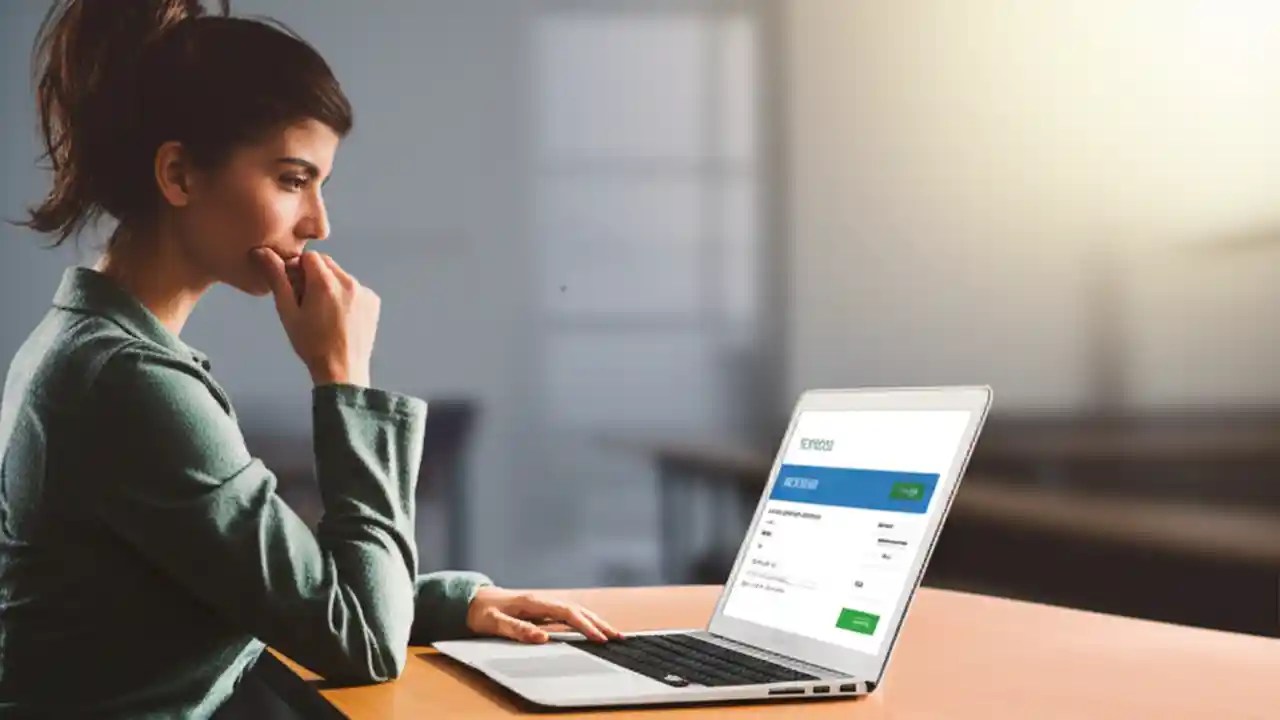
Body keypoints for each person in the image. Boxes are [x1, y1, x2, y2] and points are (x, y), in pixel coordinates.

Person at [0, 1, 621, 717]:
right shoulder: (127, 380)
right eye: (293, 180)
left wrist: (458, 601)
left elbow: (267, 587)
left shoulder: (92, 345)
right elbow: (358, 641)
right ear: (178, 175)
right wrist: (342, 376)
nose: (318, 222)